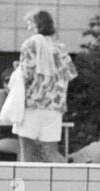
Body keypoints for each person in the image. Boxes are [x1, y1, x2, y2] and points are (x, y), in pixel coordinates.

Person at [16, 10, 77, 163]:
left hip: (33, 104)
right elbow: (70, 73)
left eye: (29, 24)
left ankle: (22, 187)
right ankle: (72, 183)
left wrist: (17, 69)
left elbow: (26, 74)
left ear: (38, 25)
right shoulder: (60, 47)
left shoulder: (30, 44)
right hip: (55, 106)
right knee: (51, 152)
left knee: (26, 152)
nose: (28, 28)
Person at [0, 66, 19, 161]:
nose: (11, 84)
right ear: (3, 84)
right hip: (1, 137)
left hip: (20, 136)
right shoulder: (1, 94)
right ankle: (23, 175)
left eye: (14, 80)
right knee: (23, 148)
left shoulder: (23, 96)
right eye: (7, 81)